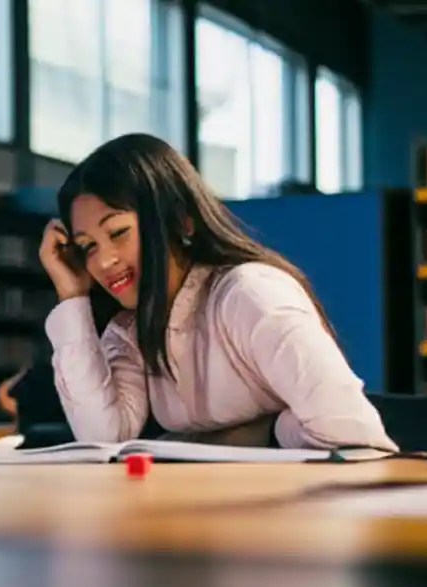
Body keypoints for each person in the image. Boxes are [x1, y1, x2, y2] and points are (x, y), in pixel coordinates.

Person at [39, 133, 396, 451]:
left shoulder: (250, 295)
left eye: (117, 233)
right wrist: (73, 298)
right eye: (88, 247)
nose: (103, 262)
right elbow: (103, 441)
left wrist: (264, 433)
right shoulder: (132, 330)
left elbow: (353, 433)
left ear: (181, 221)